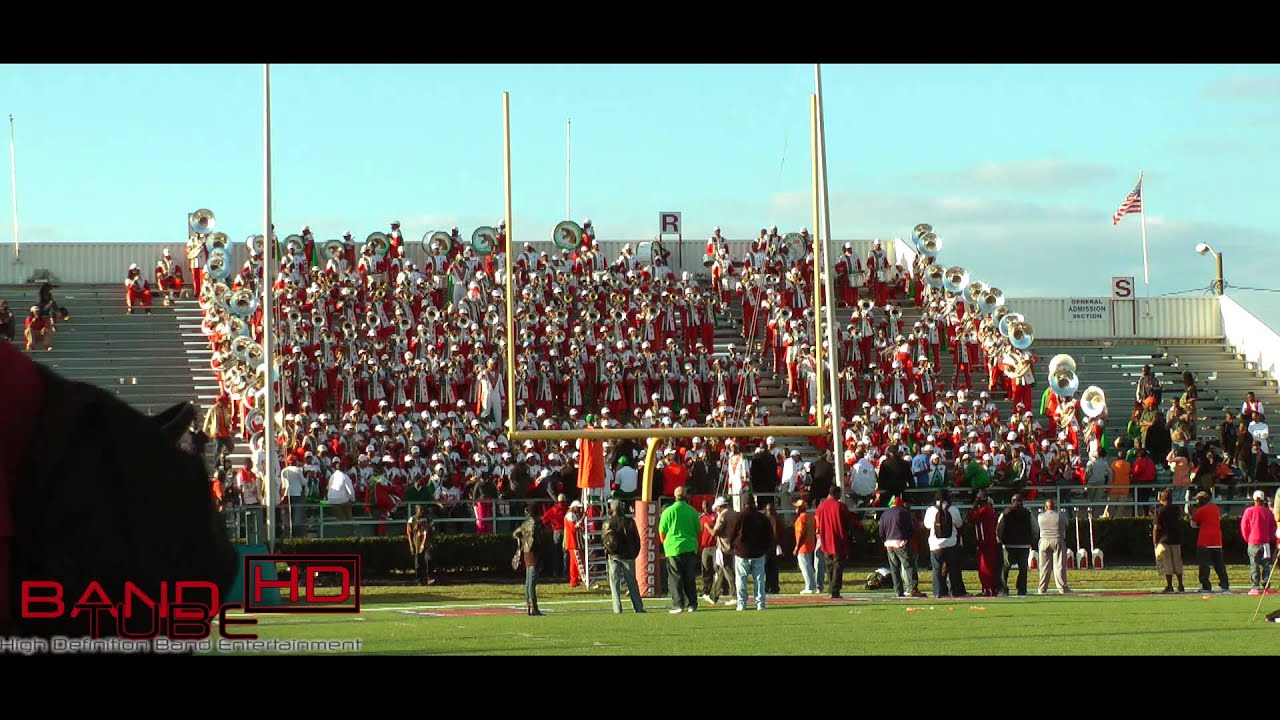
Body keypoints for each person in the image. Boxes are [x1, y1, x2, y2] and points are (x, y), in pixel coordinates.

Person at [657, 486, 701, 613]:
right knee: (690, 577)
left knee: (675, 578)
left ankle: (678, 604)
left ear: (674, 496)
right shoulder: (692, 511)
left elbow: (662, 533)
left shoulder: (668, 512)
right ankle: (692, 604)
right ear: (686, 496)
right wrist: (696, 544)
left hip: (673, 548)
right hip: (690, 547)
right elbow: (699, 531)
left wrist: (666, 544)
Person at [728, 493, 775, 611]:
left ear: (743, 503)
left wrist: (732, 546)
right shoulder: (762, 517)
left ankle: (741, 603)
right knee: (759, 579)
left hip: (742, 551)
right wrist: (767, 548)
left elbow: (732, 534)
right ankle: (760, 603)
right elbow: (770, 535)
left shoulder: (739, 516)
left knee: (741, 579)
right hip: (758, 552)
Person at [601, 499, 645, 614]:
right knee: (632, 583)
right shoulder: (630, 521)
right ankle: (638, 608)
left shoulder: (608, 523)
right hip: (628, 556)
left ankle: (617, 609)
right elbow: (637, 539)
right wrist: (635, 553)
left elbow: (604, 541)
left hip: (614, 556)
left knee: (614, 584)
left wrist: (609, 552)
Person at [924, 489, 966, 598]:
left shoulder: (930, 510)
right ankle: (956, 591)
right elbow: (959, 524)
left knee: (936, 569)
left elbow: (927, 525)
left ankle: (938, 592)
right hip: (951, 543)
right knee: (953, 568)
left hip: (935, 544)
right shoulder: (953, 509)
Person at [815, 485, 854, 598]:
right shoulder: (840, 506)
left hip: (825, 539)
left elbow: (817, 521)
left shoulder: (821, 507)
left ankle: (831, 587)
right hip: (838, 538)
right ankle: (835, 589)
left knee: (829, 565)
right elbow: (848, 522)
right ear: (837, 494)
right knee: (838, 565)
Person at [880, 496, 922, 597]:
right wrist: (907, 538)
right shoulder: (903, 512)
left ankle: (898, 590)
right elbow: (911, 528)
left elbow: (881, 531)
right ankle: (913, 588)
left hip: (889, 543)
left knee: (894, 568)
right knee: (909, 566)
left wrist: (885, 541)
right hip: (901, 542)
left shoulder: (884, 514)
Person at [1189, 491, 1229, 593]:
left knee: (1204, 565)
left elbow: (1193, 524)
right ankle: (1224, 584)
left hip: (1204, 541)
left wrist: (1193, 513)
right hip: (1217, 541)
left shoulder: (1200, 510)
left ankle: (1206, 586)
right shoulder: (1215, 508)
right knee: (1219, 564)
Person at [513, 503, 549, 616]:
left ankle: (529, 606)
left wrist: (523, 539)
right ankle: (534, 607)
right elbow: (538, 538)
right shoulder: (537, 524)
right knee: (532, 583)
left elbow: (515, 533)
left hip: (526, 553)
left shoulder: (525, 523)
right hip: (535, 554)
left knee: (528, 582)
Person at [997, 493, 1036, 596]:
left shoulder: (1005, 513)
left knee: (1006, 567)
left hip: (1008, 544)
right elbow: (1035, 528)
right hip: (1023, 545)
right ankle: (1022, 589)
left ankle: (1004, 588)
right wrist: (1031, 540)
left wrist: (1000, 540)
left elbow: (999, 527)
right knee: (1023, 569)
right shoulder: (1028, 513)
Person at [1240, 490, 1277, 595]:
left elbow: (1244, 527)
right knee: (1266, 564)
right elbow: (1273, 527)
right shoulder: (1268, 512)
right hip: (1265, 542)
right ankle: (1266, 587)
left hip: (1253, 541)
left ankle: (1255, 587)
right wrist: (1269, 538)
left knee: (1254, 564)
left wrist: (1248, 538)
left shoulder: (1248, 511)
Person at [967, 491, 1000, 597]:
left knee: (985, 567)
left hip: (985, 542)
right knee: (985, 567)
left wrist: (973, 507)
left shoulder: (985, 510)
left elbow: (971, 518)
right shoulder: (989, 510)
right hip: (986, 541)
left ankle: (988, 588)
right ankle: (988, 588)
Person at [1153, 488, 1185, 593]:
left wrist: (1155, 541)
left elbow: (1156, 527)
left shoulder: (1159, 511)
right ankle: (1180, 585)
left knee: (1167, 564)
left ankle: (1169, 586)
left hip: (1164, 540)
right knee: (1177, 563)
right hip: (1176, 539)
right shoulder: (1177, 509)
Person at [1037, 499, 1070, 595]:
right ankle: (1062, 587)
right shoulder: (1060, 516)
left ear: (1045, 507)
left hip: (1044, 540)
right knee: (1059, 565)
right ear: (1054, 507)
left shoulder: (1040, 516)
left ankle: (1042, 588)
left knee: (1044, 567)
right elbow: (1066, 525)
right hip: (1057, 539)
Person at [709, 497, 738, 605]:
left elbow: (714, 532)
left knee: (727, 570)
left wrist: (707, 527)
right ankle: (714, 595)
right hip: (732, 545)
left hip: (723, 546)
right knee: (721, 571)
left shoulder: (723, 516)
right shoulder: (735, 514)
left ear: (721, 506)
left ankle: (735, 594)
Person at [793, 498, 820, 594]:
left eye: (797, 507)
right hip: (810, 544)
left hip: (803, 546)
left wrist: (797, 547)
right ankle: (812, 586)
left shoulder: (801, 518)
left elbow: (801, 533)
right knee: (809, 566)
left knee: (804, 567)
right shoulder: (810, 516)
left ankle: (808, 586)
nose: (795, 509)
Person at [406, 506, 434, 585]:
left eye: (423, 509)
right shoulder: (412, 519)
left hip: (426, 543)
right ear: (416, 510)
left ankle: (429, 578)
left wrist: (431, 541)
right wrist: (411, 545)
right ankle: (419, 580)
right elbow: (409, 533)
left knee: (428, 559)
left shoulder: (428, 519)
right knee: (418, 562)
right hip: (417, 543)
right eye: (420, 510)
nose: (422, 511)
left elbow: (431, 530)